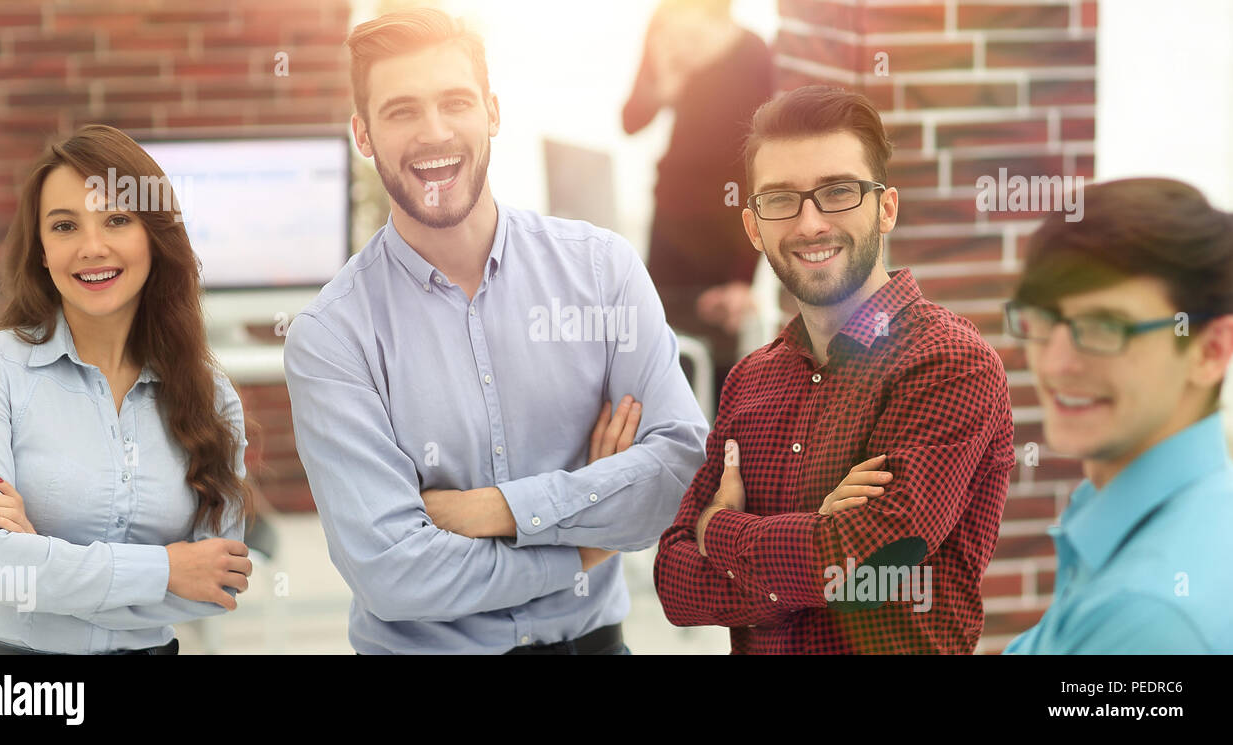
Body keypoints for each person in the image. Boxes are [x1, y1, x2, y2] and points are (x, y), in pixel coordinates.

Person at [282, 8, 708, 654]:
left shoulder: (601, 272)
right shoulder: (331, 337)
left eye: (455, 102)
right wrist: (585, 539)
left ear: (493, 113)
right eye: (400, 111)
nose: (434, 133)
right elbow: (394, 572)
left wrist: (494, 509)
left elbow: (680, 473)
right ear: (362, 135)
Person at [653, 86, 1015, 653]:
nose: (811, 223)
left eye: (838, 192)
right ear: (754, 228)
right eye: (780, 200)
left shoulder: (948, 363)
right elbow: (674, 585)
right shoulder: (749, 381)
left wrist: (719, 529)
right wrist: (820, 541)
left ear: (886, 208)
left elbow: (872, 568)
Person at [0, 124, 253, 655]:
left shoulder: (211, 394)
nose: (91, 247)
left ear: (153, 236)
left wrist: (41, 557)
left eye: (116, 219)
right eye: (64, 226)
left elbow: (216, 583)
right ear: (41, 250)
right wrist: (167, 569)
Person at [1002, 178, 1233, 654]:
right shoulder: (1171, 517)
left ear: (1211, 350)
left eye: (1106, 326)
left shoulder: (1152, 613)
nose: (1055, 364)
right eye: (1044, 319)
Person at [623, 0, 774, 395]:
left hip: (727, 229)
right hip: (670, 220)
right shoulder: (664, 27)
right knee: (663, 355)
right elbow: (632, 119)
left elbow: (758, 168)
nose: (685, 40)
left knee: (723, 367)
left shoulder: (753, 54)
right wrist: (667, 81)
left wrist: (744, 277)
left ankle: (725, 452)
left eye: (695, 34)